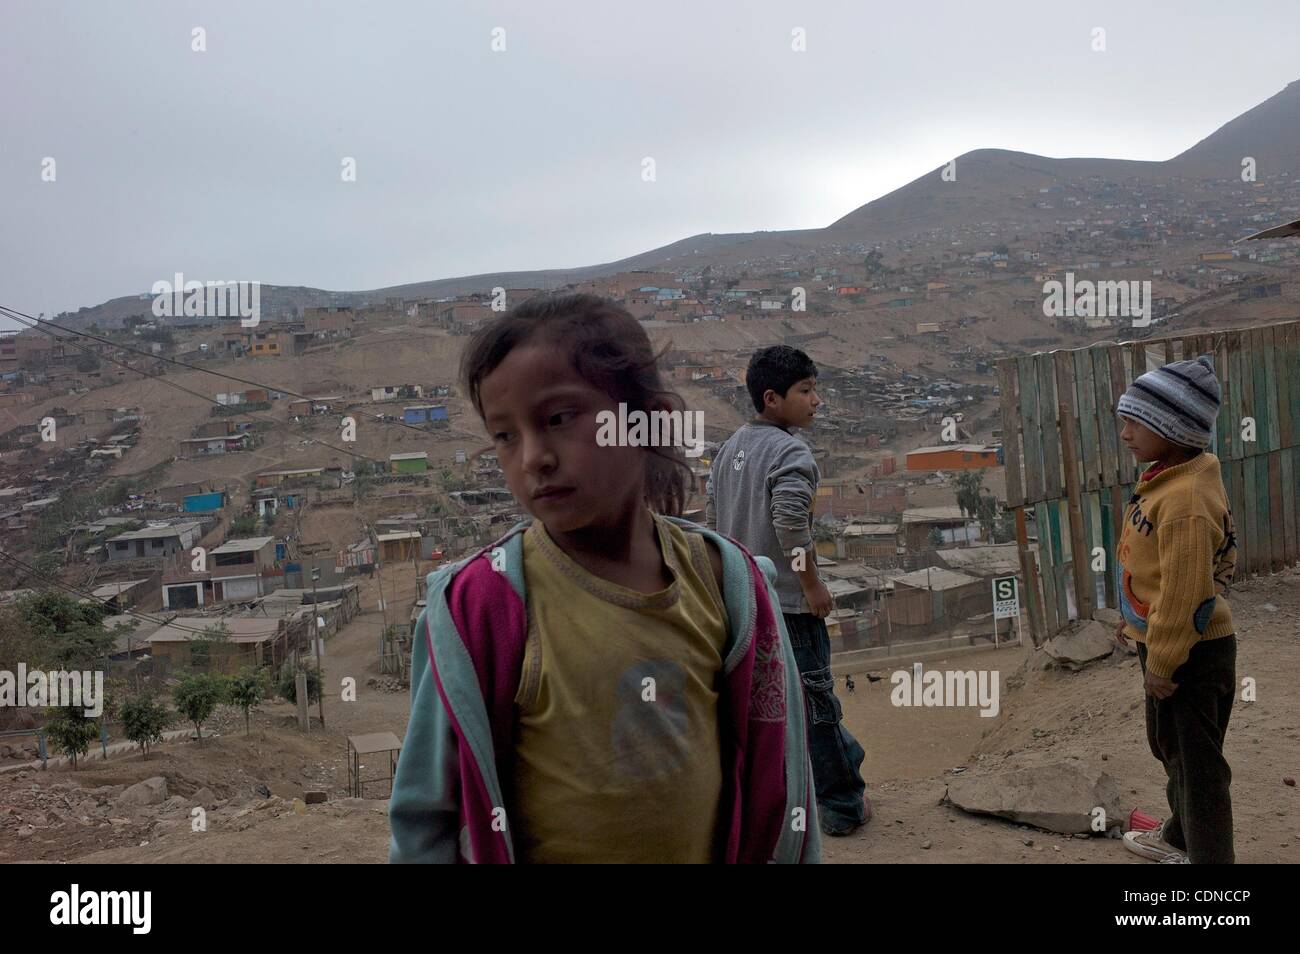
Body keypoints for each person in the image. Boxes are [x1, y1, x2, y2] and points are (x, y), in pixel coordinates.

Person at [388, 294, 819, 864]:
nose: (533, 458)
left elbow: (781, 776)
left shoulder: (726, 586)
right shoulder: (482, 608)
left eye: (559, 419)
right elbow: (424, 819)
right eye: (505, 435)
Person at [707, 345, 870, 837]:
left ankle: (786, 804)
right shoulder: (790, 451)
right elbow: (791, 524)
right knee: (815, 704)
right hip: (790, 610)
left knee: (767, 711)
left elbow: (713, 529)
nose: (817, 400)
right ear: (772, 398)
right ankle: (841, 804)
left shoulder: (729, 448)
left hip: (743, 605)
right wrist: (813, 585)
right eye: (807, 390)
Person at [1113, 356, 1238, 864]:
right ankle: (1180, 837)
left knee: (1199, 768)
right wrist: (1135, 629)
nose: (1124, 434)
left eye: (1134, 423)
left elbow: (1187, 596)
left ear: (1172, 428)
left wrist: (1162, 664)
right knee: (1175, 752)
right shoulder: (1169, 478)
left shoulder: (1184, 500)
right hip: (1171, 645)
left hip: (1189, 655)